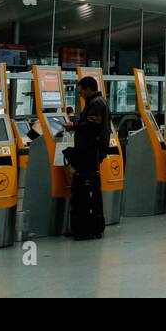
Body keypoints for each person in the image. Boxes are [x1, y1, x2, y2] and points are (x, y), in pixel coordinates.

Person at [63, 76, 109, 240]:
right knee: (89, 188)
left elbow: (92, 126)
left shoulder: (96, 103)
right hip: (91, 152)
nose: (80, 94)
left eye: (81, 90)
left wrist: (72, 126)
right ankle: (90, 225)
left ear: (89, 88)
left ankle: (86, 227)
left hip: (89, 152)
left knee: (84, 188)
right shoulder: (97, 102)